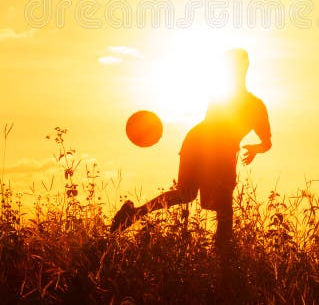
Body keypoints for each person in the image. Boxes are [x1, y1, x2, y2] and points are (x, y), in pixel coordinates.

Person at [111, 48, 272, 247]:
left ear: (246, 68)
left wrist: (256, 148)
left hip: (214, 150)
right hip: (202, 145)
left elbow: (267, 142)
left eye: (238, 66)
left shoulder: (255, 106)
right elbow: (215, 126)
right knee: (208, 201)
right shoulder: (223, 95)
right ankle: (223, 255)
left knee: (197, 198)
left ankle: (134, 213)